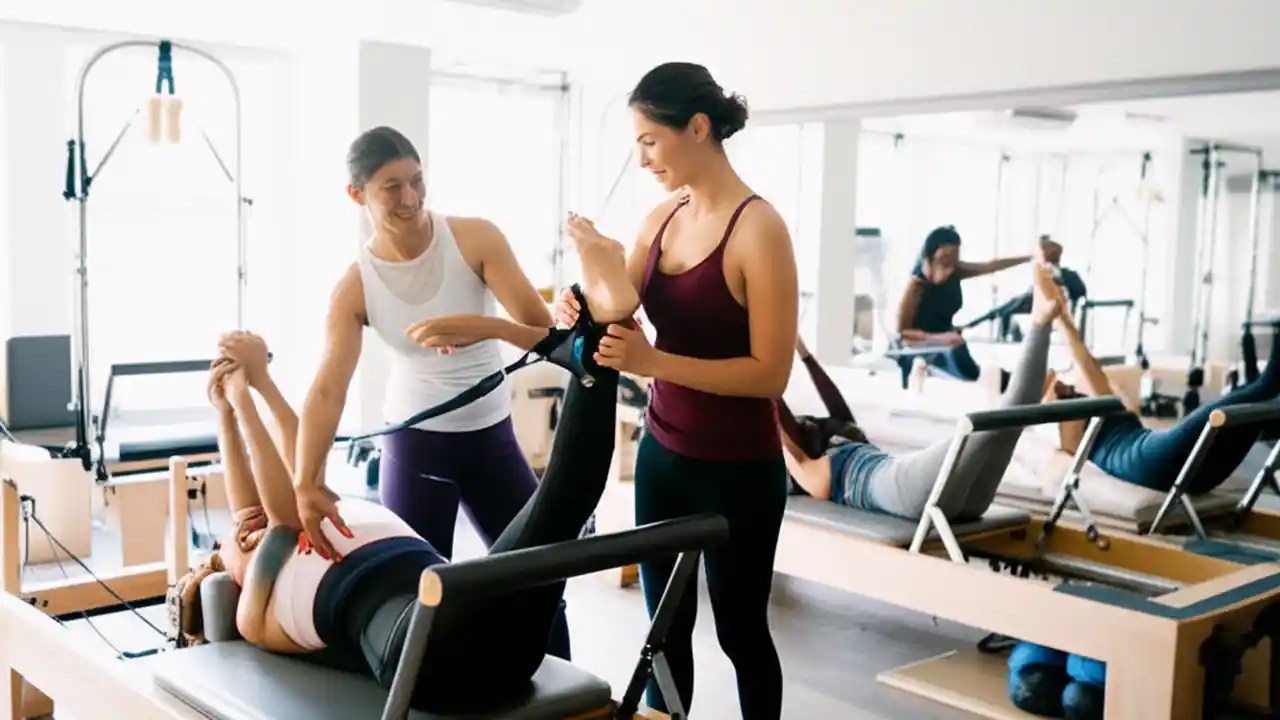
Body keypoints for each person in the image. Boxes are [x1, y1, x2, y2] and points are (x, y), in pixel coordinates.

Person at [205, 226, 638, 712]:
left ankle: (603, 326)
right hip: (428, 654)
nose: (246, 534)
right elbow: (275, 518)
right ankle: (601, 329)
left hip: (485, 627)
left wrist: (228, 403)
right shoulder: (256, 612)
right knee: (556, 503)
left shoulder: (316, 513)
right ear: (234, 574)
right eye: (236, 547)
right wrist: (246, 391)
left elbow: (284, 471)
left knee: (561, 514)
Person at [556, 62, 797, 719]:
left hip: (741, 470)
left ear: (698, 128)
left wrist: (654, 362)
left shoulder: (759, 230)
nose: (642, 161)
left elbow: (770, 374)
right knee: (663, 634)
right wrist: (580, 300)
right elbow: (620, 313)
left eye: (649, 142)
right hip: (666, 459)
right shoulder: (661, 218)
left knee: (741, 633)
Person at [286, 125, 557, 586]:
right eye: (392, 187)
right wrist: (306, 481)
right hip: (416, 445)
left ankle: (551, 662)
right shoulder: (355, 287)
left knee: (541, 574)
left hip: (491, 436)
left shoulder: (475, 239)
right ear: (357, 195)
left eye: (417, 180)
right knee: (418, 590)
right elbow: (329, 389)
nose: (410, 197)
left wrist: (485, 328)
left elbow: (549, 336)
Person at [782, 264, 1063, 520]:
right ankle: (1041, 322)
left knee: (1009, 423)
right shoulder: (797, 463)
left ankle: (1042, 323)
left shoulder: (831, 438)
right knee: (987, 427)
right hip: (897, 488)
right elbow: (798, 453)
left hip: (957, 499)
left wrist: (805, 355)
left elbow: (838, 410)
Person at [1047, 308, 1280, 495]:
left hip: (1179, 466)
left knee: (1254, 412)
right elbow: (1073, 436)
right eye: (1052, 384)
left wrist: (1064, 319)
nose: (1060, 383)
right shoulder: (1051, 422)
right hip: (1149, 459)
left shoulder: (1081, 403)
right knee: (1261, 390)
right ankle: (1262, 378)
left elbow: (1095, 377)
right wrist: (1063, 323)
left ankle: (1255, 386)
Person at [895, 225, 1032, 385]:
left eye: (953, 262)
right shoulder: (916, 288)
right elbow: (902, 336)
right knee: (985, 381)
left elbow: (990, 266)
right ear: (929, 258)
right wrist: (941, 338)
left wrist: (1030, 258)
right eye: (944, 263)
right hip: (927, 355)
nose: (949, 269)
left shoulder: (954, 272)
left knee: (1000, 379)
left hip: (951, 347)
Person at [964, 236, 1088, 342]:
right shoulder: (1067, 274)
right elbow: (1080, 293)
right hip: (1042, 302)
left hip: (1044, 304)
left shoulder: (1053, 273)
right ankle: (974, 326)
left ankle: (975, 328)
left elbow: (1070, 293)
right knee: (1004, 310)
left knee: (1003, 311)